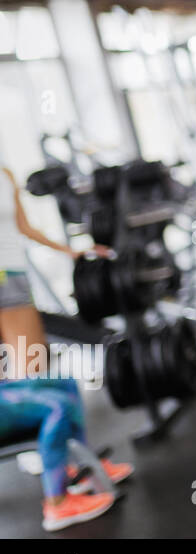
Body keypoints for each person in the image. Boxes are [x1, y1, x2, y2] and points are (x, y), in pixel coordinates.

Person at [0, 163, 133, 532]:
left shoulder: (5, 172)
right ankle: (52, 481)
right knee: (29, 386)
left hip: (11, 276)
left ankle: (75, 465)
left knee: (40, 372)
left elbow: (21, 228)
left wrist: (70, 251)